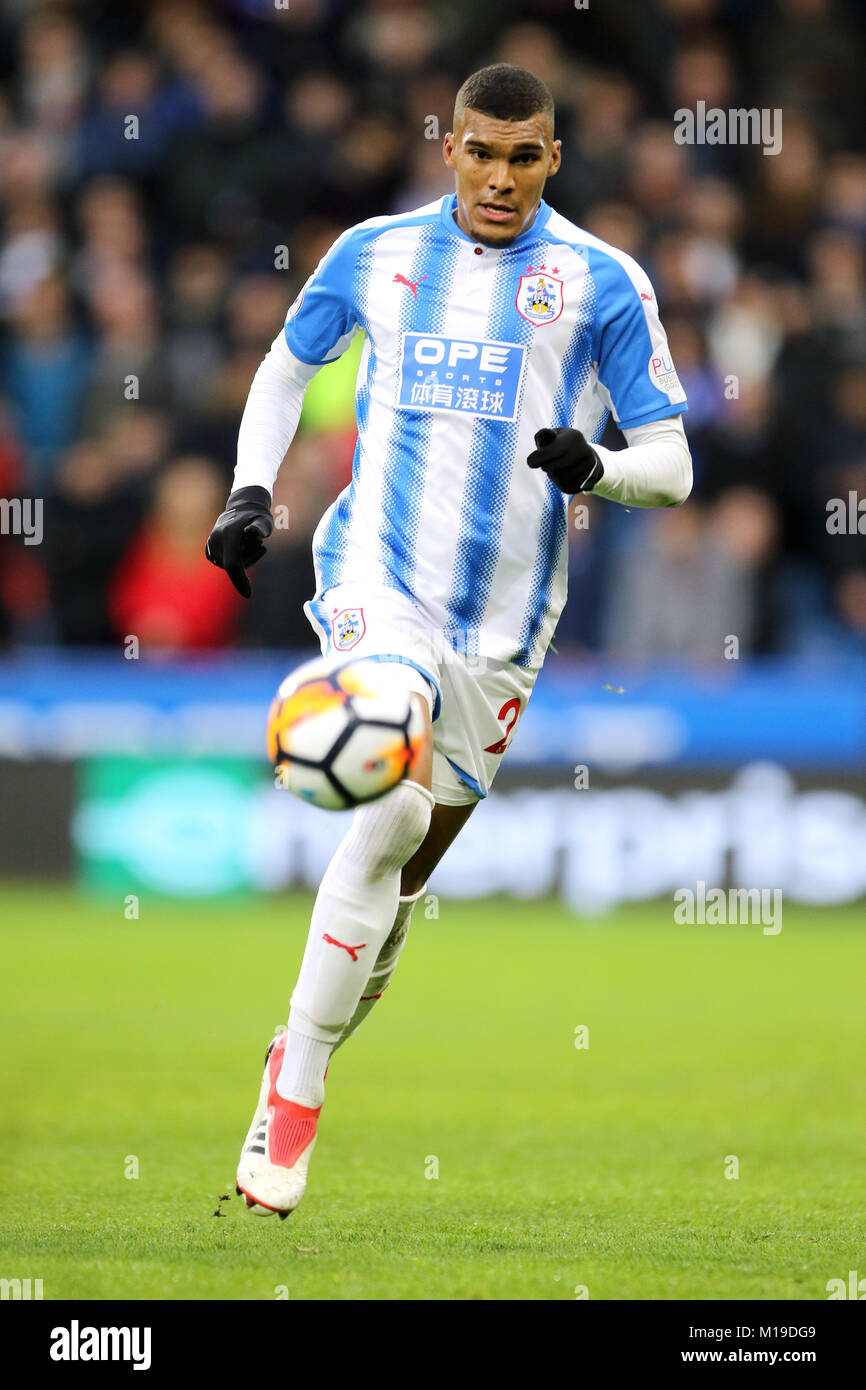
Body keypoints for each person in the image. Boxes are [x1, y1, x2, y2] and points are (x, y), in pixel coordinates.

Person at [205, 64, 692, 1218]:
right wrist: (246, 491)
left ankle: (301, 1039)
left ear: (553, 160)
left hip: (505, 628)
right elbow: (286, 368)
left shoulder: (600, 282)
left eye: (524, 158)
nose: (499, 178)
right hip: (379, 575)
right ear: (448, 149)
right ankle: (301, 1088)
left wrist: (598, 470)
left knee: (405, 867)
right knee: (385, 808)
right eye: (480, 152)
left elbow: (670, 465)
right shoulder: (374, 252)